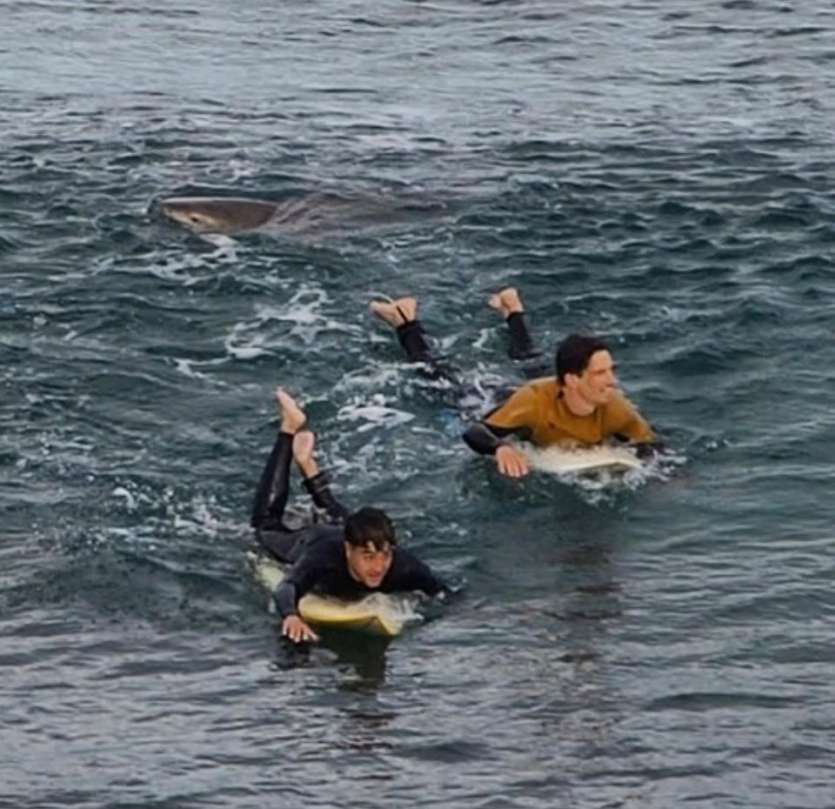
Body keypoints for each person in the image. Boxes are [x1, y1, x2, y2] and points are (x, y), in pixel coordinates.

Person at [369, 287, 657, 479]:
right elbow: (476, 432)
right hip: (498, 400)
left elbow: (653, 448)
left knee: (531, 360)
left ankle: (512, 308)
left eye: (611, 370)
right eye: (601, 373)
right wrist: (501, 448)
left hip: (549, 392)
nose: (612, 380)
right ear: (572, 379)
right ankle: (405, 319)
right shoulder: (532, 401)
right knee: (440, 380)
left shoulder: (615, 407)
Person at [250, 388, 448, 643]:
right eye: (368, 557)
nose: (378, 567)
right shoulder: (322, 561)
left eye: (384, 555)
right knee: (263, 525)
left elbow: (445, 592)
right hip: (311, 540)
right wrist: (291, 615)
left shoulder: (403, 566)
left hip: (347, 530)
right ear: (348, 551)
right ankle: (289, 428)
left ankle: (308, 464)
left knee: (345, 519)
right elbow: (287, 588)